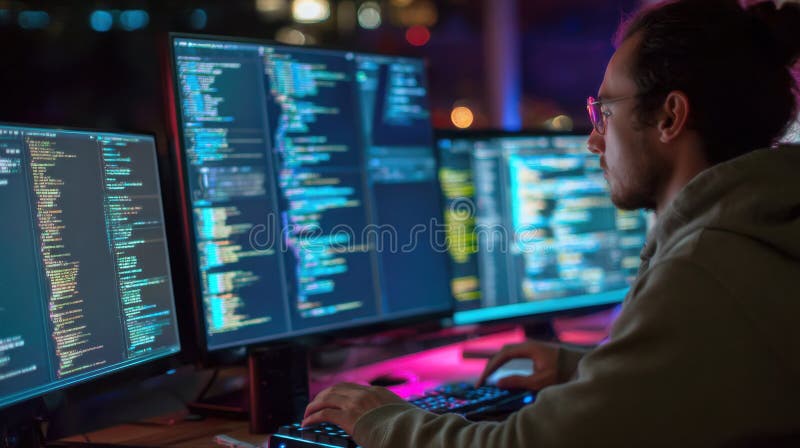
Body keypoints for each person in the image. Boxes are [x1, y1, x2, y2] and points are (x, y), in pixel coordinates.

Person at [301, 0, 800, 445]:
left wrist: (382, 420)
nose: (593, 140)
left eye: (605, 111)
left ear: (670, 116)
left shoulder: (703, 266)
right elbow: (714, 377)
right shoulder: (759, 230)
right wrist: (578, 368)